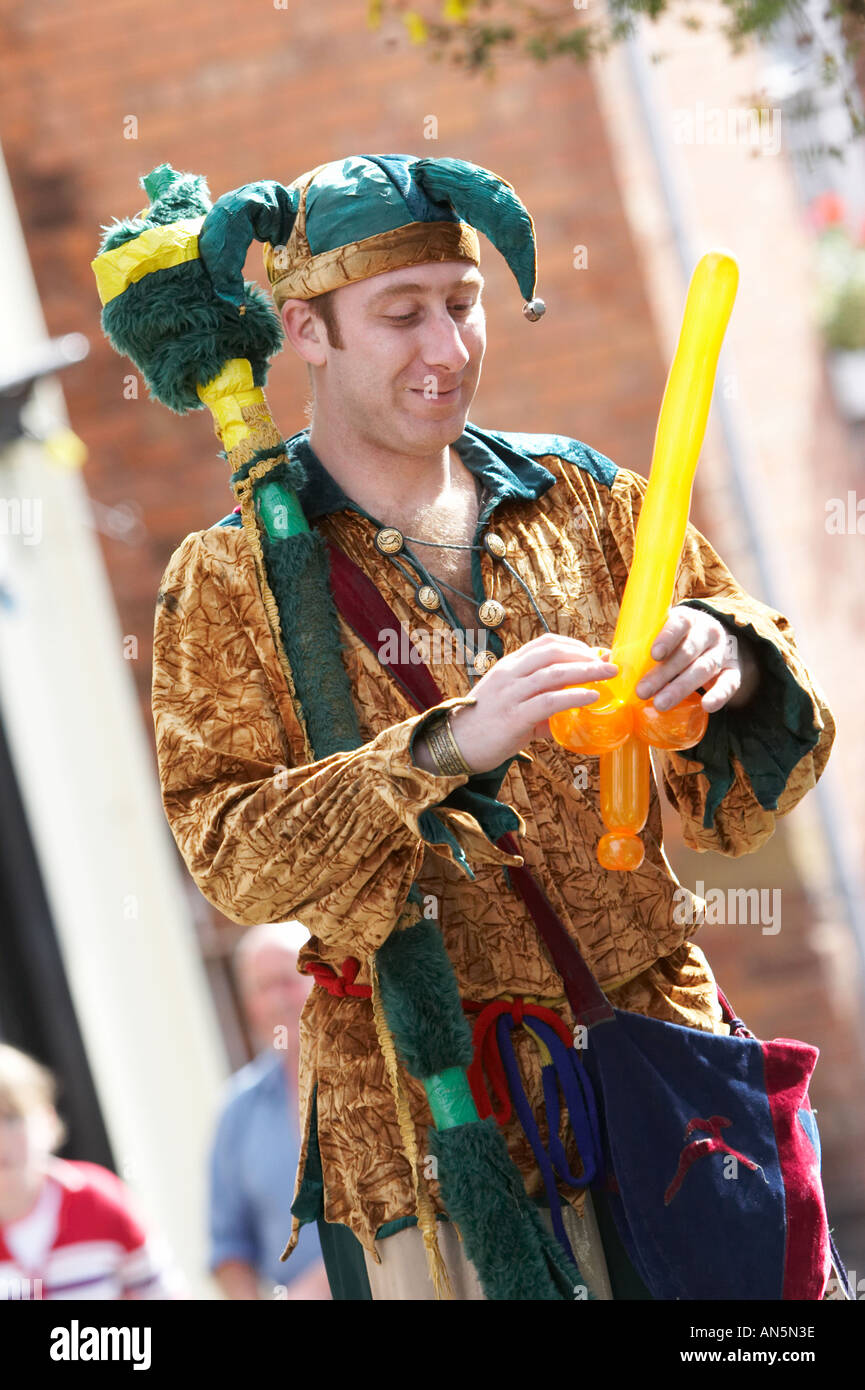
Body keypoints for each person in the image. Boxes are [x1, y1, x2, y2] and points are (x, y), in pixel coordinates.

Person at [111, 154, 836, 1298]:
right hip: (431, 1137)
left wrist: (730, 667)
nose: (445, 350)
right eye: (401, 316)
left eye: (463, 303)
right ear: (304, 330)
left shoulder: (588, 497)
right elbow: (232, 856)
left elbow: (737, 812)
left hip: (664, 1068)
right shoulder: (231, 577)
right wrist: (446, 747)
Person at [0, 1043, 181, 1299]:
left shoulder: (99, 1198)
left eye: (12, 1119)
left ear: (48, 1121)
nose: (2, 1139)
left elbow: (164, 1292)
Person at [208, 922, 329, 1299]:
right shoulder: (237, 1111)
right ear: (248, 1006)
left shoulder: (369, 1079)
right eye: (264, 987)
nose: (280, 998)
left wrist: (320, 1286)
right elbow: (228, 1249)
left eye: (289, 979)